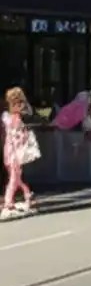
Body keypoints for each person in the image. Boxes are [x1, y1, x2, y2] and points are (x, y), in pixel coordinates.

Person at [2, 87, 37, 219]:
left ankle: (28, 197)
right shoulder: (16, 119)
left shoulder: (6, 116)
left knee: (16, 176)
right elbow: (19, 137)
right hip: (15, 152)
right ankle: (8, 203)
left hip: (9, 151)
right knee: (14, 179)